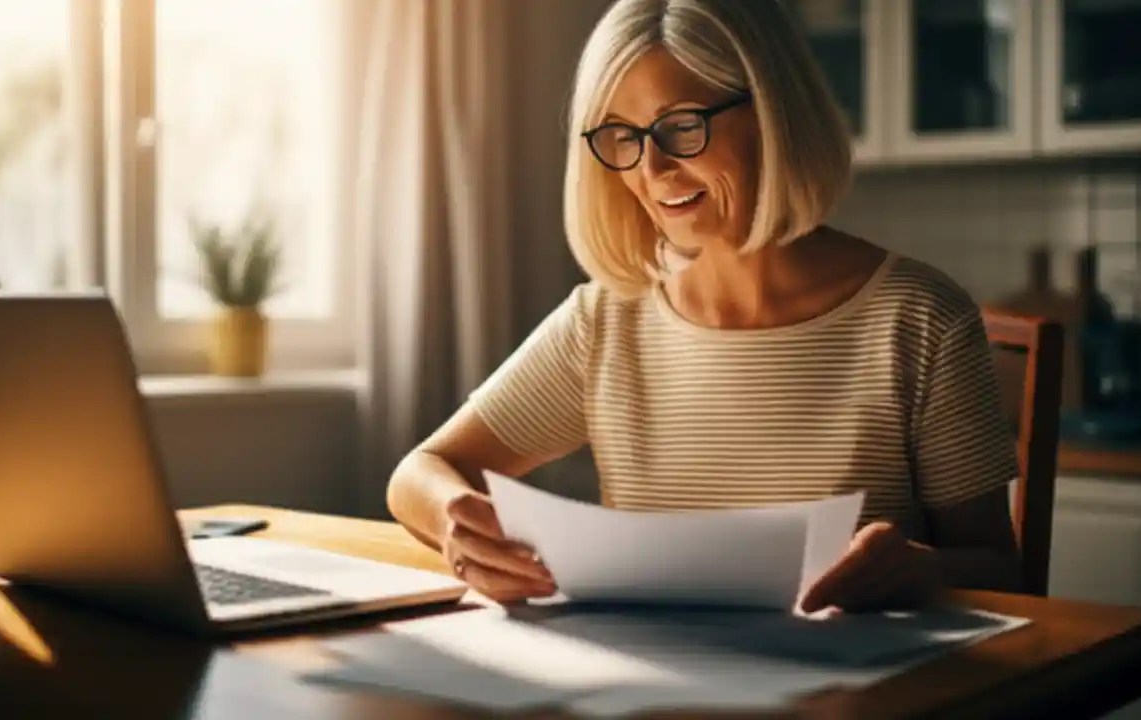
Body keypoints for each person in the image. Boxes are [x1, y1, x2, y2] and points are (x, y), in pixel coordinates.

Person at [387, 0, 1021, 613]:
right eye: (622, 136)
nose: (652, 168)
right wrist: (459, 521)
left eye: (682, 125)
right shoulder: (607, 322)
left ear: (775, 113)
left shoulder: (918, 319)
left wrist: (925, 568)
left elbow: (1001, 567)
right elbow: (421, 471)